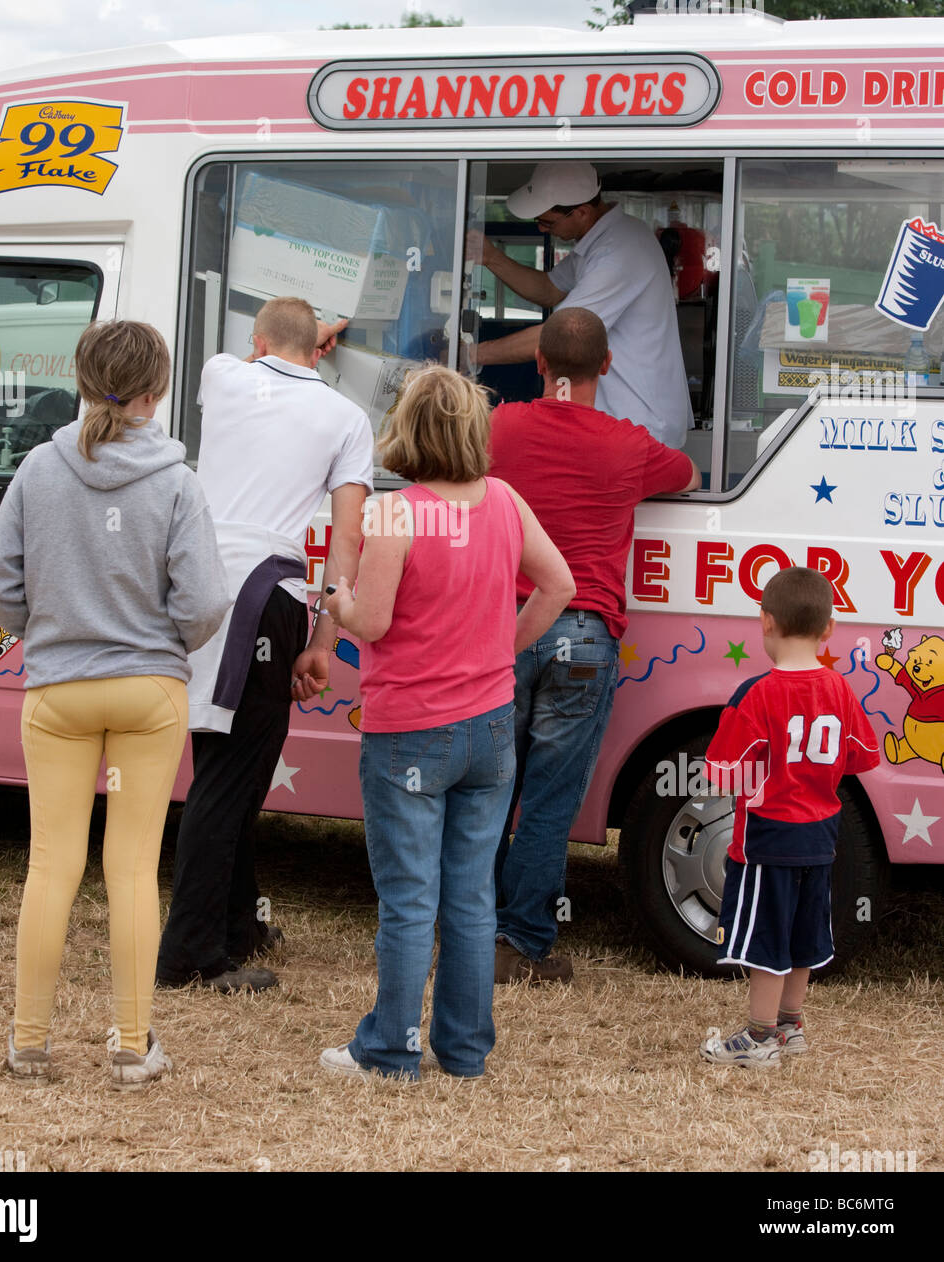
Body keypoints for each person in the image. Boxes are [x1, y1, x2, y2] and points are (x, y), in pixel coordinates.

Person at [0, 319, 231, 1088]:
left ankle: (28, 1044)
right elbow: (206, 601)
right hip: (148, 692)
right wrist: (164, 642)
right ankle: (130, 1047)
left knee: (51, 865)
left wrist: (50, 632)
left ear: (84, 381)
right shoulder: (178, 482)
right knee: (129, 868)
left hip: (58, 691)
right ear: (155, 391)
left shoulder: (37, 469)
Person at [319, 367, 574, 1081]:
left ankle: (389, 1050)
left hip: (408, 731)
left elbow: (369, 620)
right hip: (489, 727)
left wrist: (336, 597)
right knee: (469, 896)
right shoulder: (504, 500)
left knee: (408, 898)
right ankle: (464, 1052)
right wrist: (502, 649)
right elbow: (560, 585)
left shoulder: (397, 515)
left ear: (408, 427)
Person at [155, 297, 373, 994]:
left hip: (194, 588)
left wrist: (303, 338)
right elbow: (346, 538)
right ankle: (191, 956)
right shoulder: (347, 417)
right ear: (321, 352)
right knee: (230, 778)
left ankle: (236, 925)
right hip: (265, 595)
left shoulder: (222, 373)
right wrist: (326, 639)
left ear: (257, 342)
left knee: (228, 766)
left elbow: (270, 359)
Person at [489, 307, 700, 984]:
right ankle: (522, 942)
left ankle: (467, 931)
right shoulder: (626, 444)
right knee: (550, 799)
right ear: (606, 367)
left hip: (502, 626)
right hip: (584, 633)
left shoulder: (499, 427)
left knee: (486, 788)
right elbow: (690, 474)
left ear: (541, 363)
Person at [699, 567, 880, 1067]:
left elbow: (724, 774)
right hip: (821, 837)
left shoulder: (757, 694)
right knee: (804, 936)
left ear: (765, 621)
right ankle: (790, 1025)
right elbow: (863, 758)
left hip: (767, 838)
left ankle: (759, 1038)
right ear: (828, 630)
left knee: (766, 941)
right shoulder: (841, 691)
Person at [467, 160, 693, 448]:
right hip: (621, 419)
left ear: (582, 212)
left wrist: (472, 353)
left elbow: (560, 336)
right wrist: (490, 257)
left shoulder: (620, 251)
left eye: (547, 222)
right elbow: (549, 289)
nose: (541, 228)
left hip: (638, 422)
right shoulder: (601, 241)